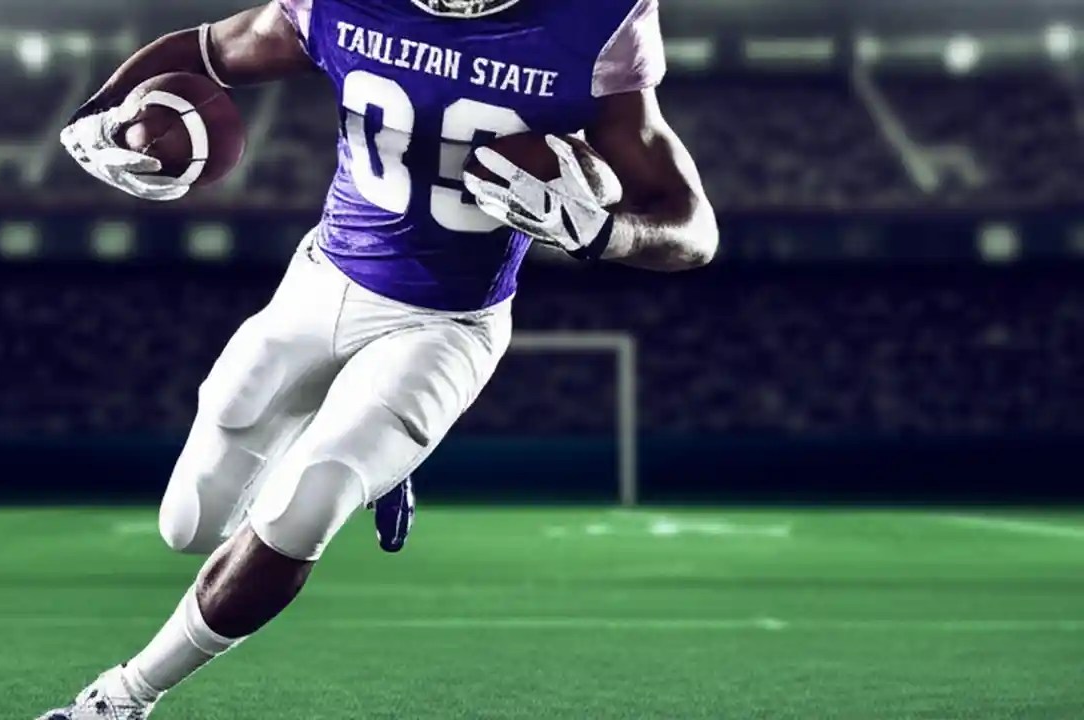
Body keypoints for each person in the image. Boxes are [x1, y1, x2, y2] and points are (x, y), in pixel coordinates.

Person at [41, 0, 716, 717]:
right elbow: (210, 51)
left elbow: (692, 228)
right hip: (320, 282)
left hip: (448, 323)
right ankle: (380, 460)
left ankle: (123, 696)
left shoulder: (591, 22)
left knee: (308, 505)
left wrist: (602, 233)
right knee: (189, 527)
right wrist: (99, 119)